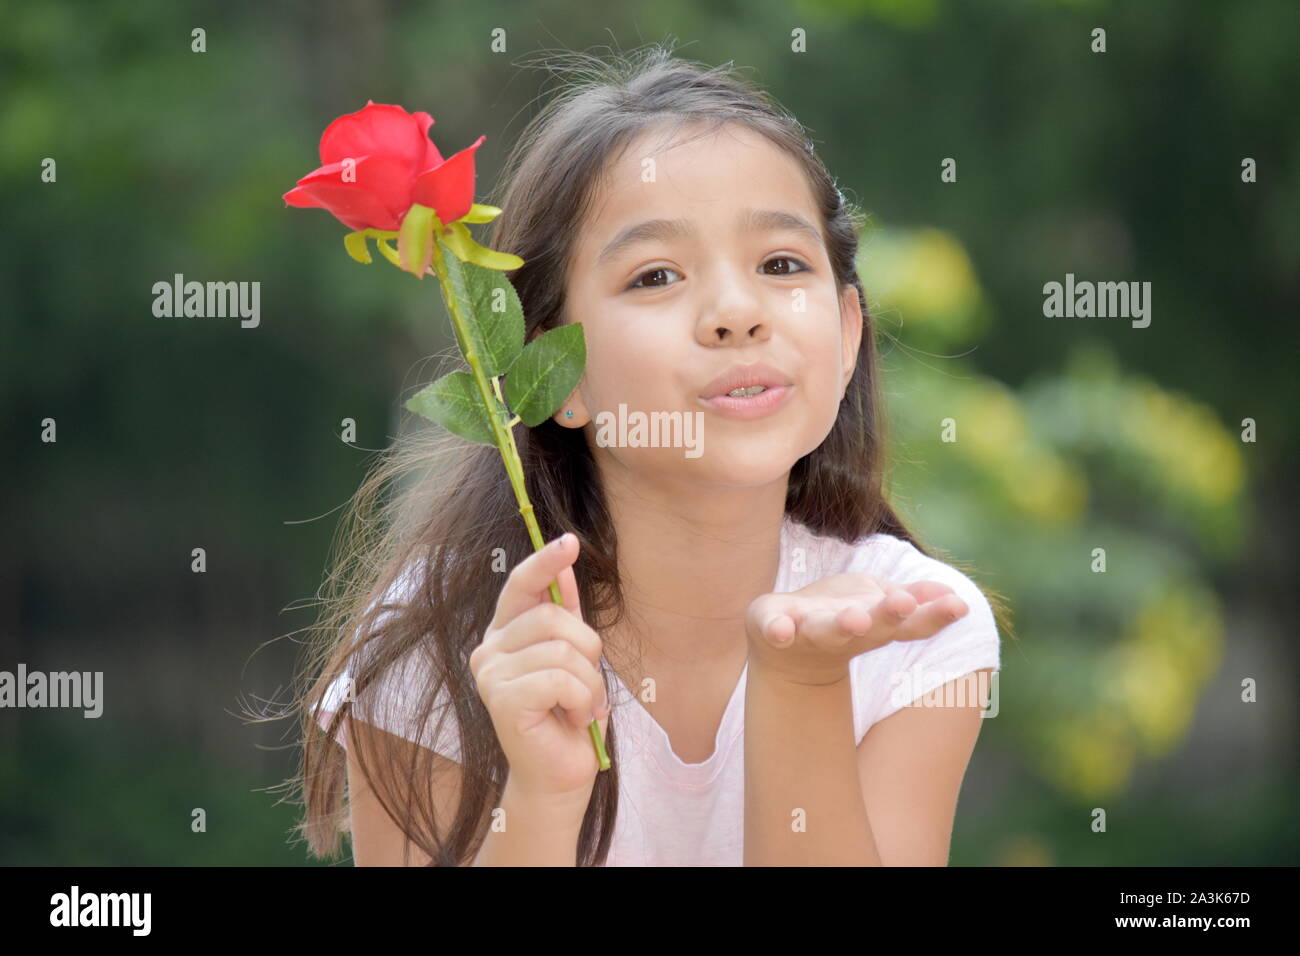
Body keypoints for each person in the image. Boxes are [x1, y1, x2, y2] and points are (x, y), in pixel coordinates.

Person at [291, 42, 1009, 867]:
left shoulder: (913, 629)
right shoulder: (436, 649)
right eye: (657, 276)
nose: (736, 313)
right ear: (550, 369)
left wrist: (802, 685)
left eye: (780, 263)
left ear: (848, 334)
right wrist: (542, 798)